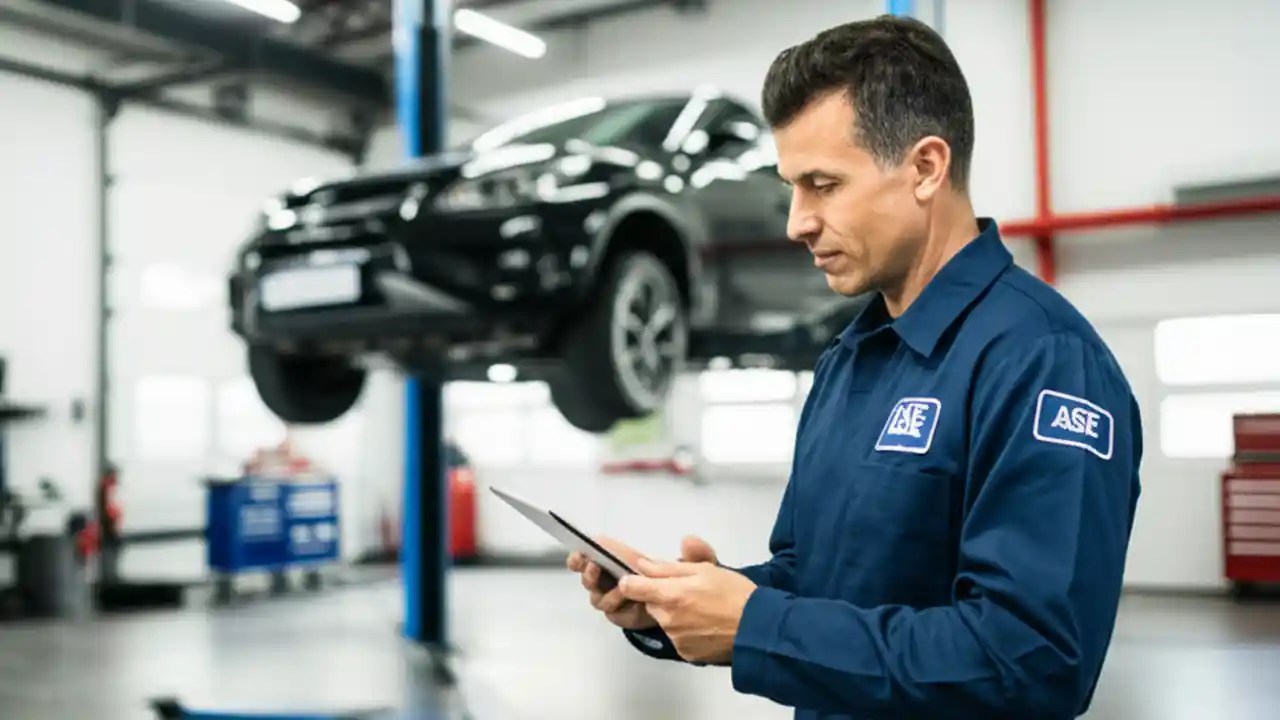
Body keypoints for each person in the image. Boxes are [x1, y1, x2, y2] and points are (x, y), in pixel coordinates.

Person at [566, 14, 1142, 720]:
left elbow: (1031, 662)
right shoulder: (849, 360)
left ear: (925, 168)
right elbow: (814, 578)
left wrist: (755, 626)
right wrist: (684, 604)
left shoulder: (1043, 362)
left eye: (823, 184)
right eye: (791, 187)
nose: (796, 222)